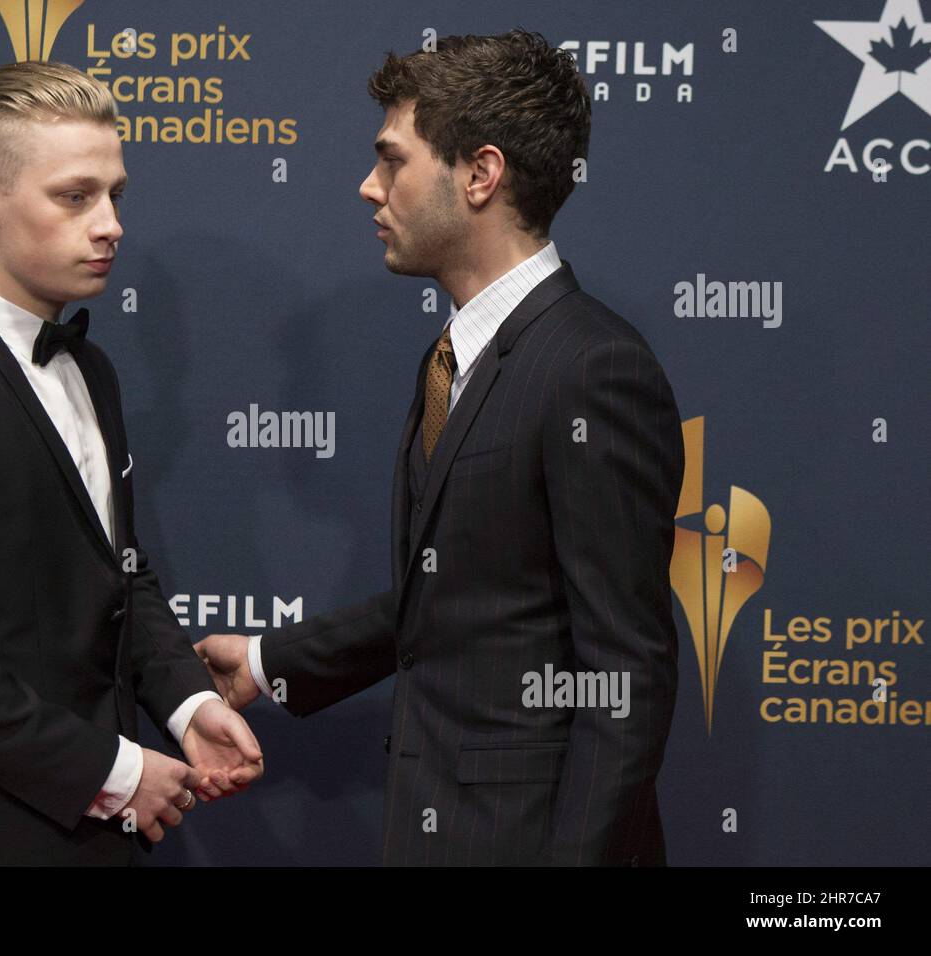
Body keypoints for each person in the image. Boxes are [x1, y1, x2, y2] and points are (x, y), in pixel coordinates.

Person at [196, 32, 684, 866]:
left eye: (392, 160)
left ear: (480, 174)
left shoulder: (592, 368)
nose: (369, 186)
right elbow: (467, 597)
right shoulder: (453, 358)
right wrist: (272, 660)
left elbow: (625, 675)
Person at [0, 60, 261, 866]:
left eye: (115, 195)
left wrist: (186, 702)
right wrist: (116, 769)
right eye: (75, 197)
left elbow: (118, 577)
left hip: (108, 835)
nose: (110, 225)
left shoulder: (93, 372)